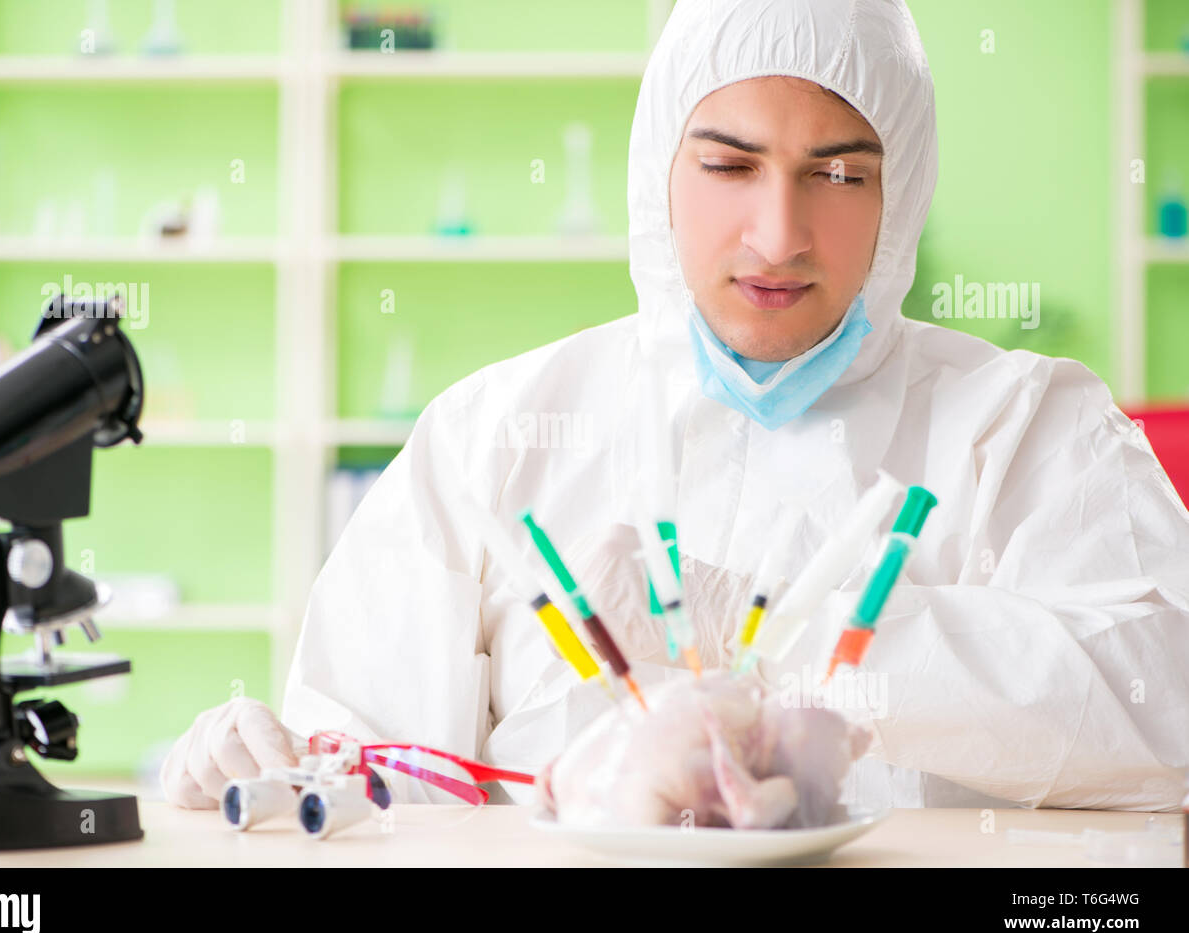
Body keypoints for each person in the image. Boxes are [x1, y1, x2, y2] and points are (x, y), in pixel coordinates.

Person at [162, 0, 1189, 813]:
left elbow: (1168, 706)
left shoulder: (1024, 427)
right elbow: (369, 780)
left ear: (902, 189)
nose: (777, 233)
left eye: (837, 173)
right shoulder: (493, 439)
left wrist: (781, 638)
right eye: (728, 164)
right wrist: (265, 770)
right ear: (659, 167)